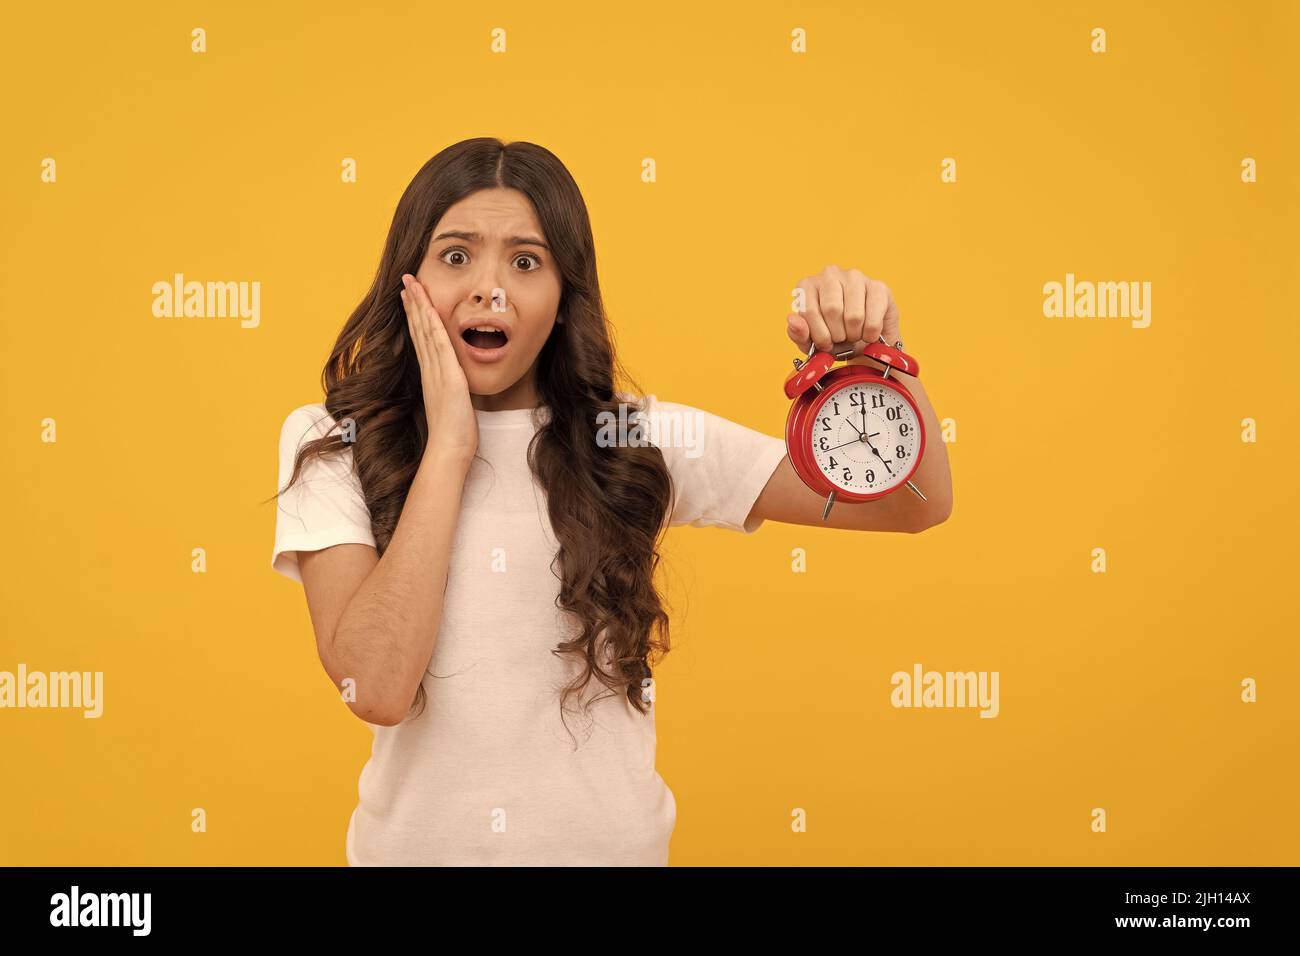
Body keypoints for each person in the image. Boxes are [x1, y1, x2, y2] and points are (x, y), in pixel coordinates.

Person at [270, 137, 953, 866]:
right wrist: (449, 449)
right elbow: (373, 686)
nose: (490, 289)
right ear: (409, 278)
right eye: (457, 255)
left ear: (565, 298)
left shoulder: (631, 435)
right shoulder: (334, 441)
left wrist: (880, 357)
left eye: (526, 261)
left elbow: (912, 503)